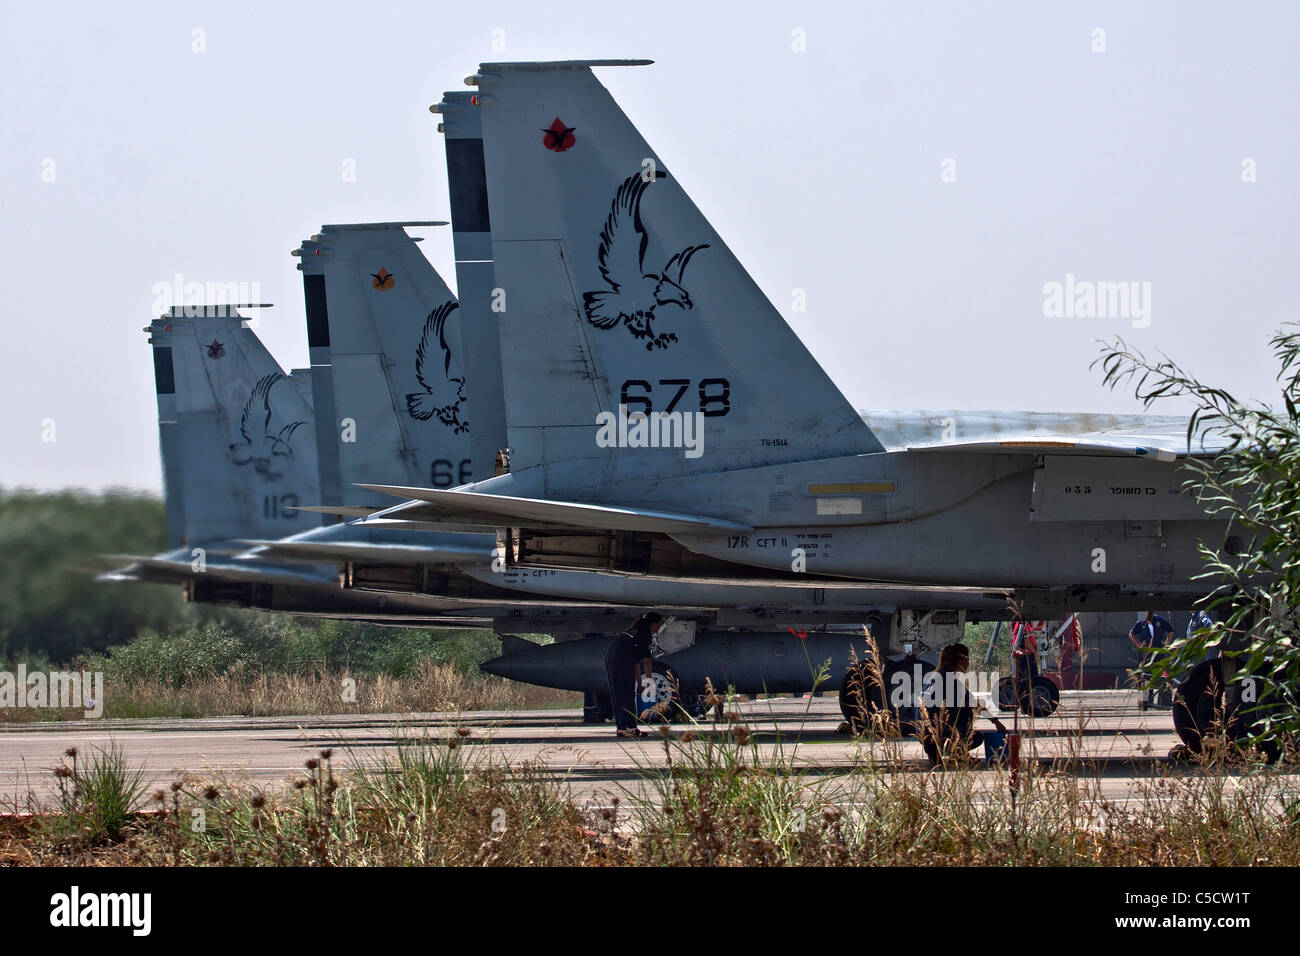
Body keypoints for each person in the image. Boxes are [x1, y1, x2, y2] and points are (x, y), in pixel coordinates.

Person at [919, 642, 1007, 767]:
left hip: (924, 735)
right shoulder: (951, 680)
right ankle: (957, 753)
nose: (968, 663)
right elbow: (975, 704)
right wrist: (995, 721)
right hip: (941, 735)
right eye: (967, 660)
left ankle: (935, 753)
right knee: (976, 736)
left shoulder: (934, 676)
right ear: (960, 660)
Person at [604, 612, 662, 737]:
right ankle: (630, 727)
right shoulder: (645, 634)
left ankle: (622, 727)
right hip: (622, 659)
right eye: (659, 624)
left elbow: (635, 662)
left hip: (612, 656)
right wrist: (649, 680)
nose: (659, 627)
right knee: (627, 694)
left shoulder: (634, 630)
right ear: (654, 623)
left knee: (618, 693)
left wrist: (640, 683)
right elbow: (646, 661)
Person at [1130, 611, 1175, 708]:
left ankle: (1163, 699)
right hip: (1147, 654)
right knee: (1147, 675)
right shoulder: (1141, 623)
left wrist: (1167, 643)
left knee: (1161, 674)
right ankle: (1148, 698)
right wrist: (1139, 645)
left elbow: (1171, 630)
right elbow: (1131, 634)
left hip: (1159, 652)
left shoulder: (1159, 620)